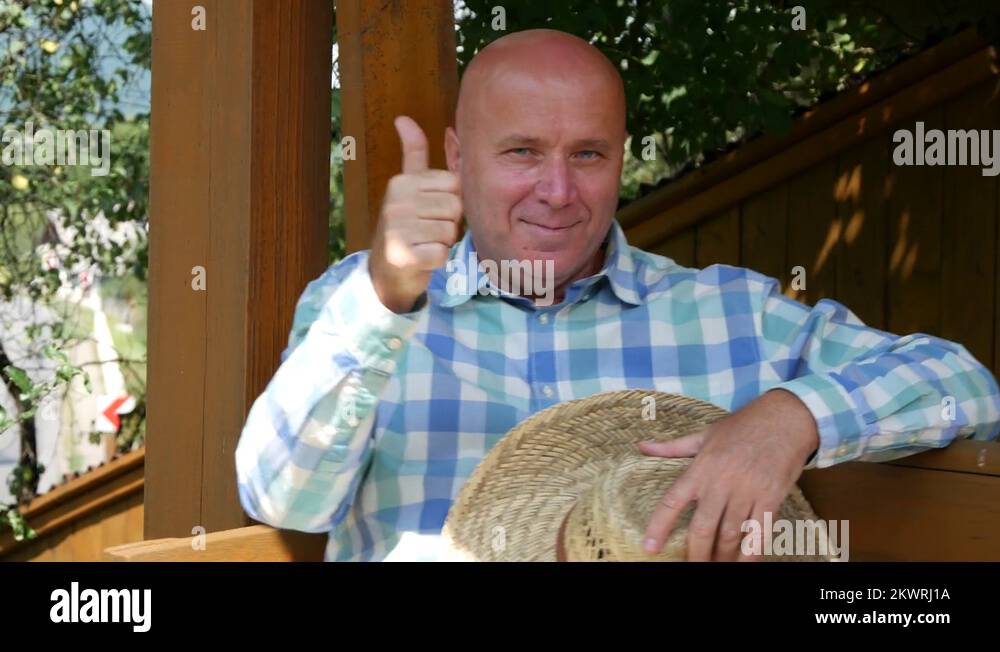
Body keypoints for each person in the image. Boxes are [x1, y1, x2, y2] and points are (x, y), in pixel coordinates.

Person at [235, 28, 1000, 562]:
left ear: (621, 159)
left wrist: (791, 418)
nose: (558, 191)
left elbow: (965, 385)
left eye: (588, 154)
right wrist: (384, 301)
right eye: (523, 152)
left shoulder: (730, 315)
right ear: (460, 159)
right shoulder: (359, 302)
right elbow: (281, 501)